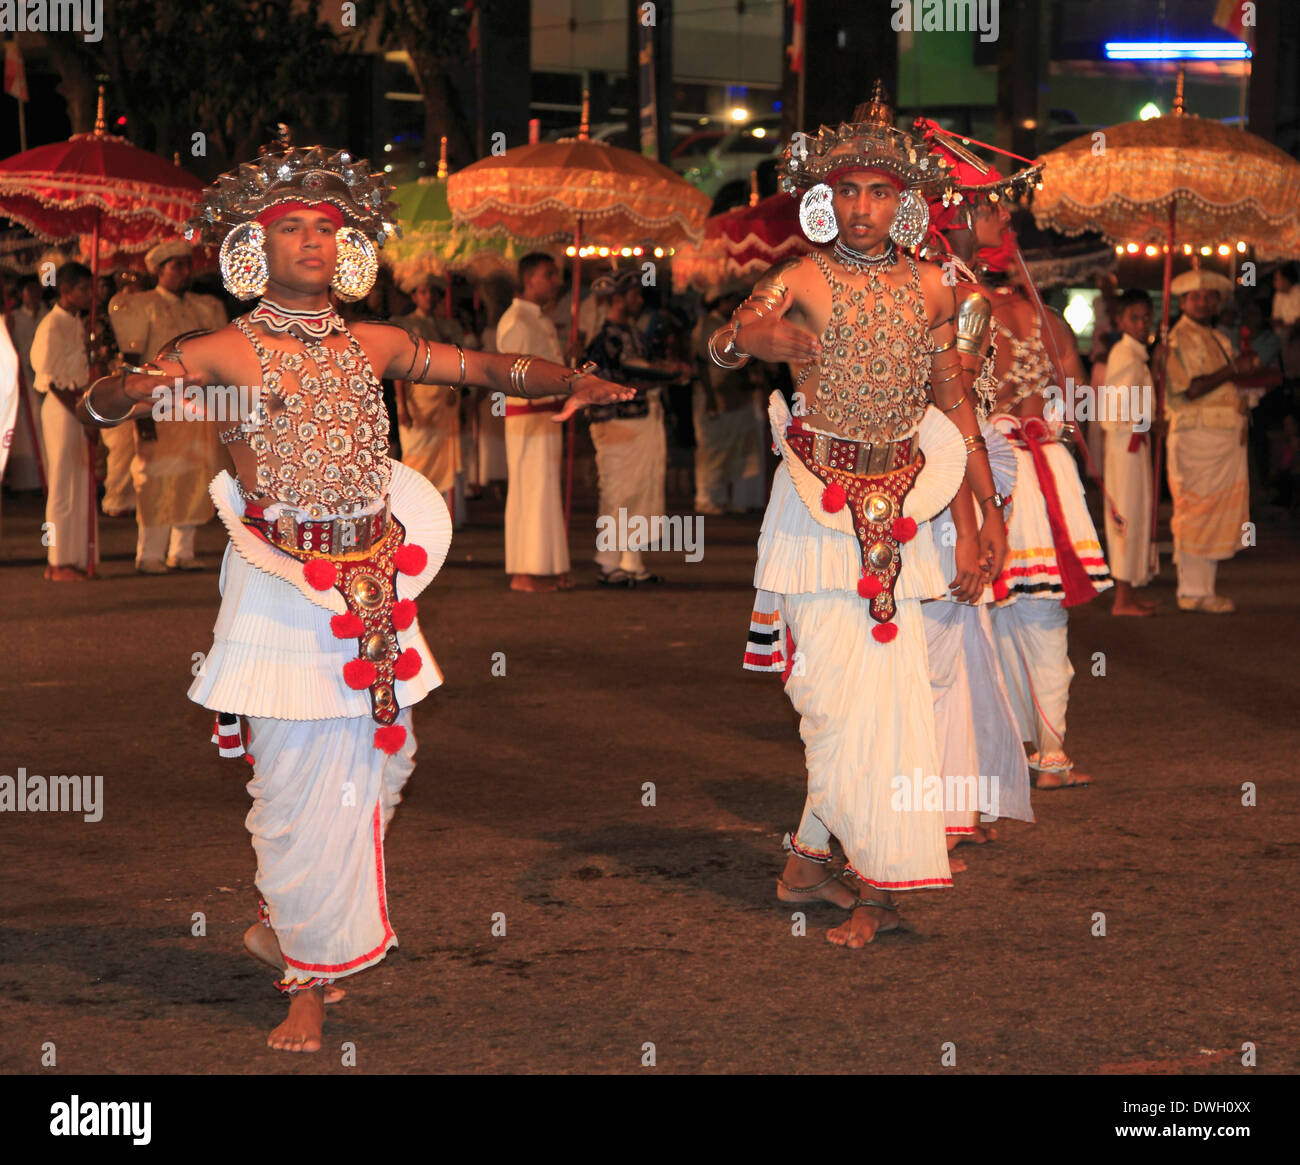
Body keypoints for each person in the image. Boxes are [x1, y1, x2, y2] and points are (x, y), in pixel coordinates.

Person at [76, 136, 630, 1053]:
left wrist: (570, 380)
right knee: (298, 788)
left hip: (375, 581)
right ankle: (309, 978)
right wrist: (129, 387)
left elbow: (482, 369)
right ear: (255, 245)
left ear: (350, 247)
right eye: (290, 226)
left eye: (326, 228)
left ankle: (290, 913)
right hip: (284, 585)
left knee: (386, 765)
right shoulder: (220, 347)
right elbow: (111, 401)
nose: (312, 242)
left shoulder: (369, 340)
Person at [723, 85, 1008, 948]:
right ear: (825, 199)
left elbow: (953, 411)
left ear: (905, 202)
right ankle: (825, 863)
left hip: (904, 510)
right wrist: (759, 341)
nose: (862, 207)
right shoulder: (801, 276)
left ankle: (859, 881)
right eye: (847, 190)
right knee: (833, 702)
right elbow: (732, 332)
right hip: (816, 507)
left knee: (886, 705)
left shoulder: (934, 289)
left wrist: (985, 513)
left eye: (879, 192)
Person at [915, 131, 1037, 860]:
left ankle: (955, 800)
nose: (1002, 219)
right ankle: (935, 809)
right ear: (954, 209)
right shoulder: (949, 290)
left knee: (959, 647)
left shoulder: (948, 282)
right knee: (941, 648)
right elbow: (946, 412)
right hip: (936, 488)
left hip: (950, 481)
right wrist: (974, 517)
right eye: (991, 204)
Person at [982, 217, 1112, 789]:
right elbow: (1079, 398)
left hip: (995, 470)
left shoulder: (961, 311)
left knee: (992, 614)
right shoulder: (1051, 320)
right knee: (1044, 614)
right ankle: (1050, 754)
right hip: (1048, 464)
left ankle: (1004, 753)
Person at [108, 240, 227, 572]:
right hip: (157, 404)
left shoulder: (204, 307)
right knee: (155, 477)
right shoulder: (140, 306)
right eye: (176, 266)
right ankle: (149, 554)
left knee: (195, 473)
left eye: (186, 265)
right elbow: (131, 360)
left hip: (195, 407)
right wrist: (135, 404)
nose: (183, 272)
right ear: (158, 270)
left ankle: (182, 551)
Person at [584, 270, 688, 586]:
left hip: (641, 420)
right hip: (616, 422)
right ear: (618, 298)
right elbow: (626, 373)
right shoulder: (604, 339)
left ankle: (631, 559)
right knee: (619, 490)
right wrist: (667, 375)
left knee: (643, 488)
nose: (639, 301)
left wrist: (669, 371)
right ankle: (609, 562)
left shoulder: (634, 333)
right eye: (634, 295)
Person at [1164, 269, 1254, 613]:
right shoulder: (1176, 338)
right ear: (1182, 302)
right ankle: (1191, 590)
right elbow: (1190, 388)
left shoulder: (1219, 337)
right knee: (1196, 509)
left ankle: (1204, 589)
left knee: (1215, 512)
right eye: (1195, 297)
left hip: (1223, 435)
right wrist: (1233, 370)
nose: (1203, 302)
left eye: (1209, 297)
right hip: (1195, 436)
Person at [497, 253, 573, 593]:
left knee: (543, 491)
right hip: (529, 418)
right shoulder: (517, 321)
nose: (555, 281)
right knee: (531, 492)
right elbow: (514, 377)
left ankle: (546, 567)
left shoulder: (537, 319)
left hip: (545, 416)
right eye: (549, 274)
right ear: (529, 280)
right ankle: (524, 572)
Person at [31, 262, 97, 581]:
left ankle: (74, 557)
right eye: (84, 289)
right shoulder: (52, 325)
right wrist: (82, 415)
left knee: (79, 482)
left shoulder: (76, 322)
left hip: (77, 404)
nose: (90, 295)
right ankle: (57, 561)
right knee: (61, 484)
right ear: (66, 291)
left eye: (90, 288)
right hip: (62, 408)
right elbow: (50, 379)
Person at [393, 275, 473, 523]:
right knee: (415, 457)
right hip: (417, 400)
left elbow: (457, 365)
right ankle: (409, 516)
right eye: (423, 291)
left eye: (431, 292)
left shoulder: (449, 327)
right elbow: (400, 370)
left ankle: (439, 518)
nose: (428, 297)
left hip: (443, 401)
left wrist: (453, 391)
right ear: (414, 296)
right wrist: (402, 407)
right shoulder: (405, 326)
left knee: (445, 458)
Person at [1099, 289, 1159, 615]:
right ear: (1120, 320)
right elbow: (1117, 407)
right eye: (1134, 318)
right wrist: (1146, 420)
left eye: (1146, 317)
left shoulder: (1137, 354)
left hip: (1136, 443)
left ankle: (1132, 589)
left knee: (1138, 512)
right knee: (1125, 513)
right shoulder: (1124, 354)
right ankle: (1122, 597)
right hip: (1125, 445)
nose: (1141, 324)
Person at [691, 280, 761, 516]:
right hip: (714, 395)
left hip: (734, 395)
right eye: (731, 299)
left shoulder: (730, 325)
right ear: (720, 302)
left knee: (731, 448)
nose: (735, 304)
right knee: (713, 448)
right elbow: (701, 364)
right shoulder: (708, 326)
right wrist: (710, 398)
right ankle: (706, 496)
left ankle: (721, 497)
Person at [4, 277, 49, 493]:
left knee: (44, 429)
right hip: (22, 380)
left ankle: (45, 479)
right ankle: (25, 482)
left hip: (44, 379)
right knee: (23, 432)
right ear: (22, 294)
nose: (33, 294)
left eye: (36, 290)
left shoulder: (46, 315)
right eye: (29, 290)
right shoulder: (13, 318)